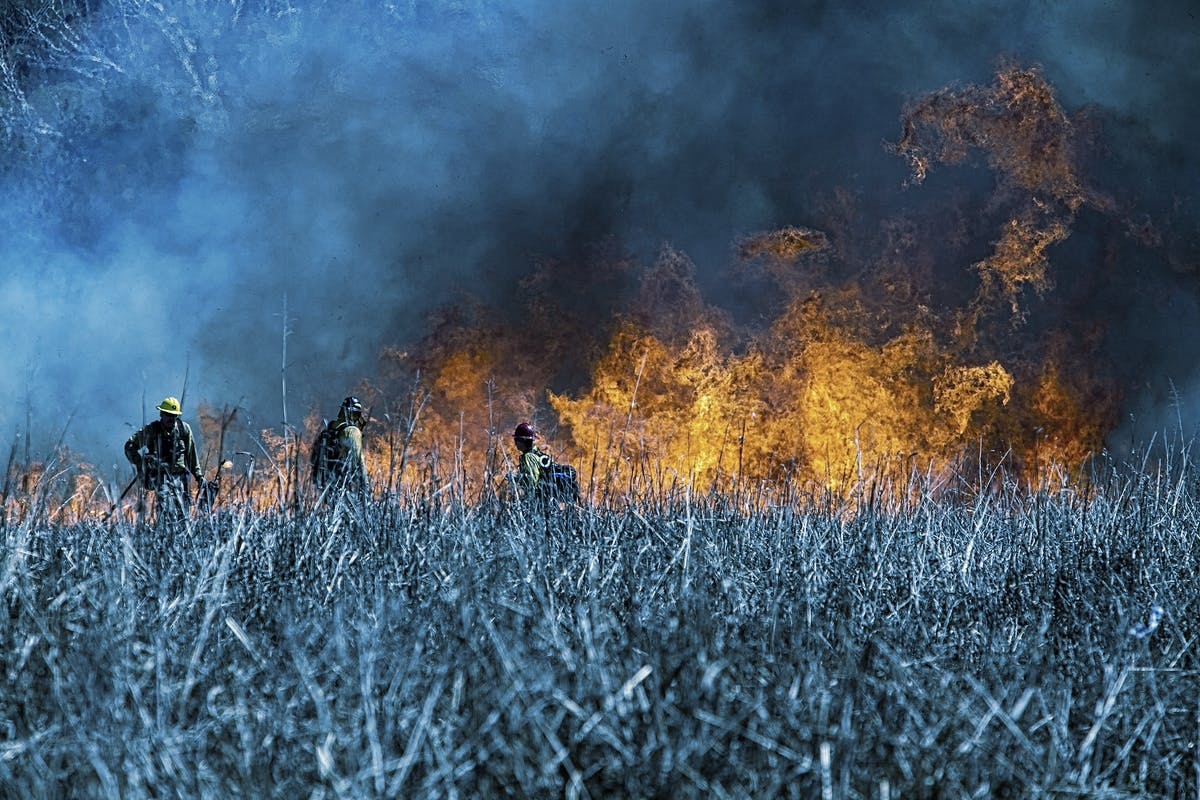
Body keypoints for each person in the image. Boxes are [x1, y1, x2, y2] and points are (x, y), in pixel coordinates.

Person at [124, 396, 205, 519]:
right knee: (165, 511)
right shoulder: (152, 430)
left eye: (174, 415)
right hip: (161, 478)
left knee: (183, 513)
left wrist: (199, 476)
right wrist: (140, 463)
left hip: (181, 478)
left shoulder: (184, 429)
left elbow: (192, 456)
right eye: (167, 415)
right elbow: (130, 446)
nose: (170, 418)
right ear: (161, 414)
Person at [311, 396, 368, 495]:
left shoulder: (329, 430)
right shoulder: (352, 431)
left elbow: (314, 459)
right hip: (344, 486)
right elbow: (357, 462)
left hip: (325, 486)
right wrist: (365, 488)